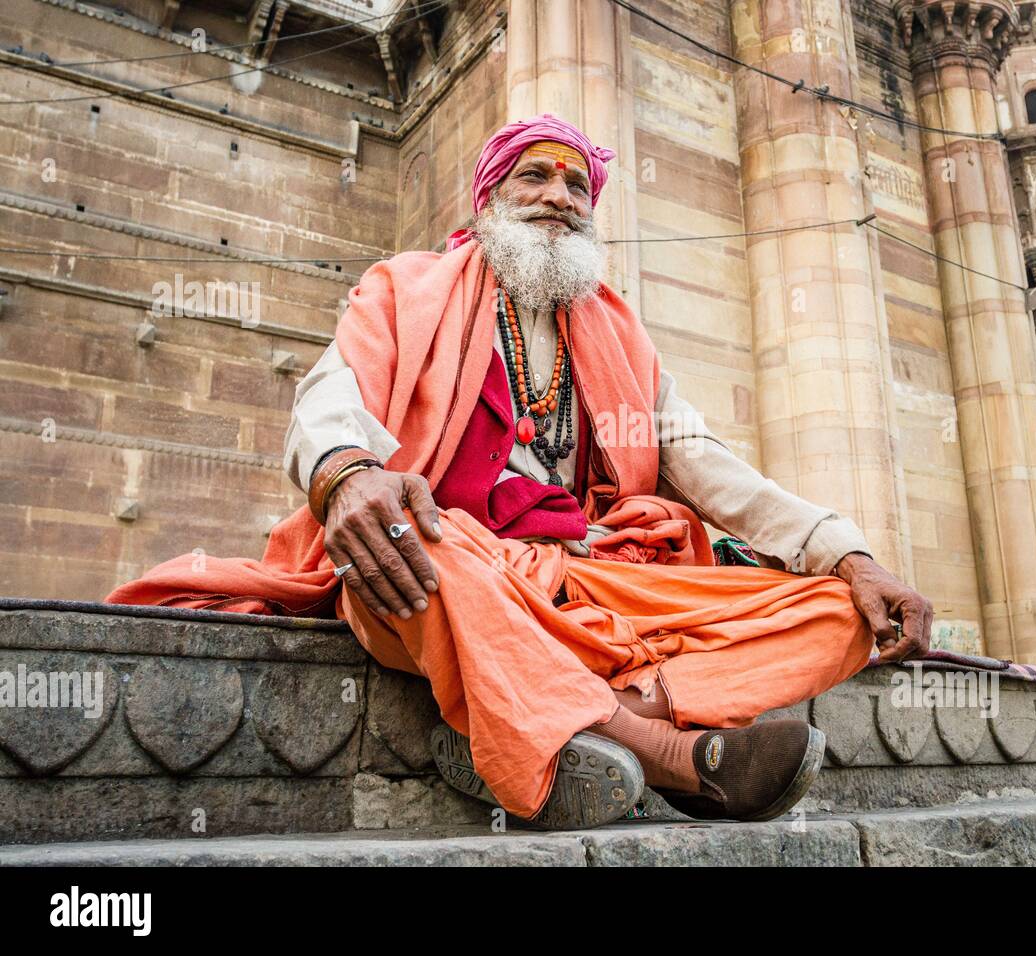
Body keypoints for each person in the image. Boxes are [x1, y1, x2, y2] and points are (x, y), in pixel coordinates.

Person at [108, 113, 933, 830]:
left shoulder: (619, 334)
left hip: (586, 577)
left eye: (576, 184)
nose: (559, 196)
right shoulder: (408, 289)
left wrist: (846, 553)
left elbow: (702, 461)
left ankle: (530, 731)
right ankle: (677, 758)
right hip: (454, 571)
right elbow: (331, 394)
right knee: (413, 530)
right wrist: (347, 475)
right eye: (533, 175)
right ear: (490, 198)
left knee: (837, 609)